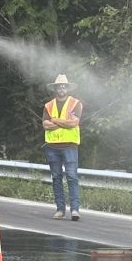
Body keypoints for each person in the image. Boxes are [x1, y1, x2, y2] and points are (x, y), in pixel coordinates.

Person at [42, 74, 83, 220]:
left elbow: (73, 123)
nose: (62, 88)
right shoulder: (49, 105)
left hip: (70, 146)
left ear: (68, 88)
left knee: (72, 177)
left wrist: (55, 120)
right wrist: (63, 122)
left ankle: (74, 209)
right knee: (56, 177)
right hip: (52, 146)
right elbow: (45, 125)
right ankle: (60, 209)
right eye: (59, 86)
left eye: (64, 86)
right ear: (55, 88)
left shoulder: (75, 103)